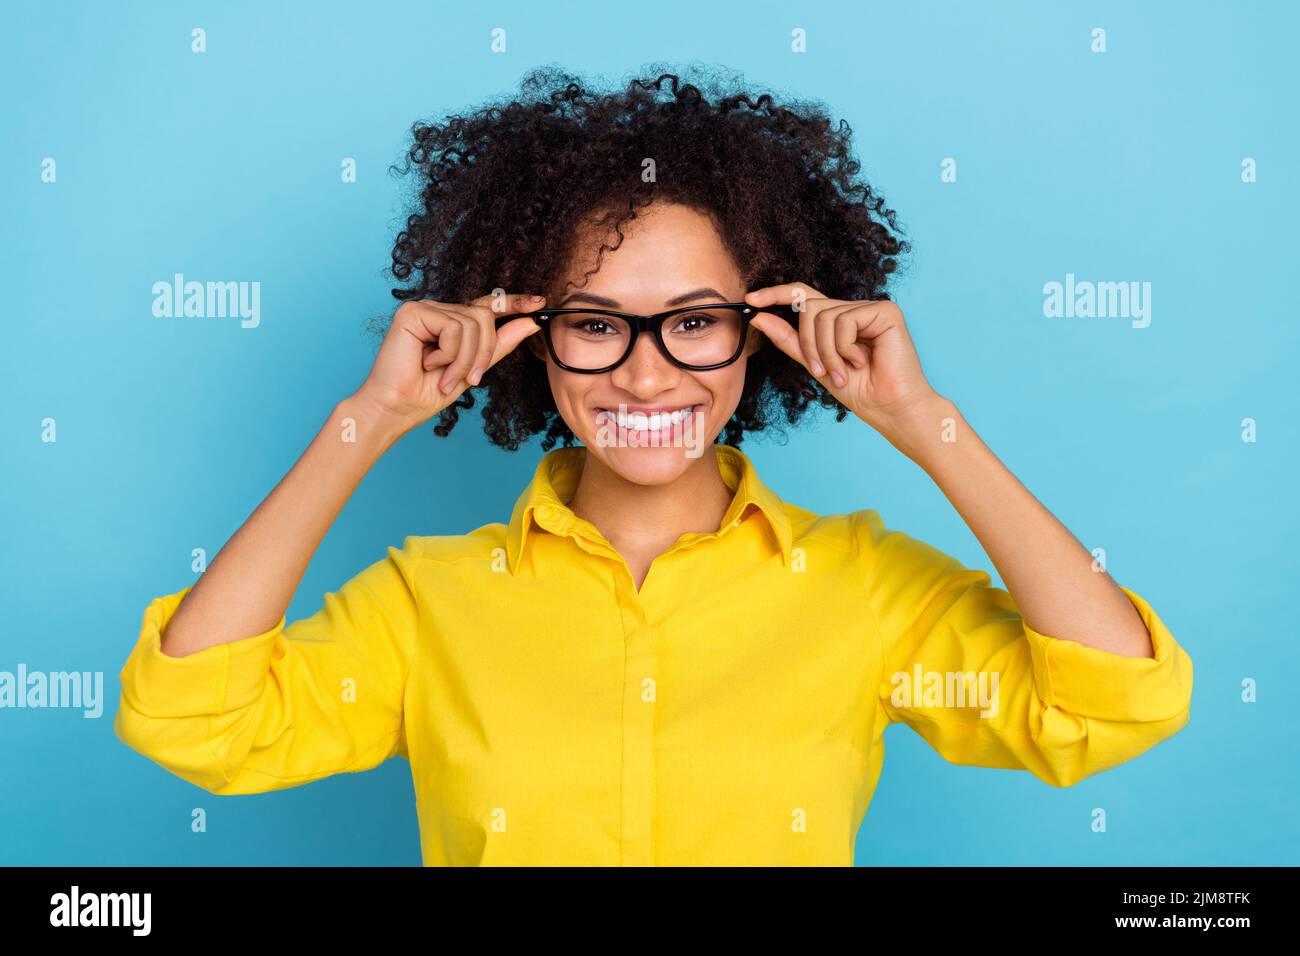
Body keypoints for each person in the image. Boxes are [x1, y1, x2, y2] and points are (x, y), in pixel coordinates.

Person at [113, 67, 1193, 866]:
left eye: (694, 322)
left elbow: (1109, 701)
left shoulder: (866, 589)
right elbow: (196, 716)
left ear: (761, 329)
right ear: (532, 335)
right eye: (595, 323)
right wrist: (368, 417)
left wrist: (922, 419)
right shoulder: (425, 600)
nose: (642, 376)